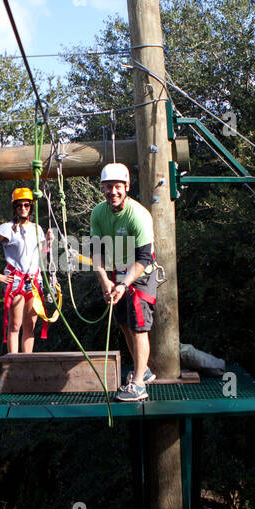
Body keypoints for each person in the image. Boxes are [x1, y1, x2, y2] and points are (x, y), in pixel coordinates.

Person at [90, 163, 157, 401]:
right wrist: (105, 281)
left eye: (118, 186)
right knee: (124, 323)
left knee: (139, 326)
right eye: (108, 187)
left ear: (127, 187)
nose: (113, 192)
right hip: (117, 271)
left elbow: (144, 257)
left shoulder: (138, 215)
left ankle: (139, 384)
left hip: (140, 273)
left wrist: (123, 284)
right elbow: (96, 253)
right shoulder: (98, 213)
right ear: (103, 188)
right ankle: (144, 370)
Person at [0, 187, 53, 353]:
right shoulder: (7, 228)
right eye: (19, 205)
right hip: (16, 280)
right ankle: (13, 366)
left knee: (30, 327)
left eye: (26, 205)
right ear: (14, 207)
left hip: (34, 280)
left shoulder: (37, 229)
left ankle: (26, 366)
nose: (23, 208)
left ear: (31, 207)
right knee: (15, 325)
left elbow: (41, 256)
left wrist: (48, 243)